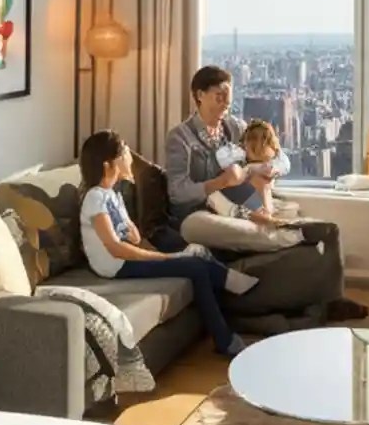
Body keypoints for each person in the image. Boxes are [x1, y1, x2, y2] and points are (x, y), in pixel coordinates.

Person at [164, 65, 369, 324]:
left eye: (229, 95)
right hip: (197, 216)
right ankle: (299, 234)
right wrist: (219, 182)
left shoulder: (235, 128)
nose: (226, 102)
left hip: (239, 207)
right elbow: (177, 193)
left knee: (288, 210)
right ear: (199, 95)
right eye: (219, 96)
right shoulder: (180, 138)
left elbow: (281, 157)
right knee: (220, 226)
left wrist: (270, 167)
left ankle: (332, 298)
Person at [78, 129, 257, 357]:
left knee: (196, 258)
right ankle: (226, 329)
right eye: (124, 152)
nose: (129, 156)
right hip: (116, 266)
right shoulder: (95, 197)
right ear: (108, 165)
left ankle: (229, 292)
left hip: (124, 258)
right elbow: (115, 248)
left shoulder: (113, 195)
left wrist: (136, 235)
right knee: (195, 266)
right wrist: (164, 257)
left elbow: (133, 237)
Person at [207, 119, 295, 227]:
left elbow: (284, 165)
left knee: (264, 179)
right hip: (236, 192)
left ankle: (265, 213)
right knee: (241, 174)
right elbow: (221, 159)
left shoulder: (275, 158)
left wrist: (269, 169)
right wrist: (250, 168)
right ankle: (263, 215)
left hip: (255, 195)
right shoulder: (237, 154)